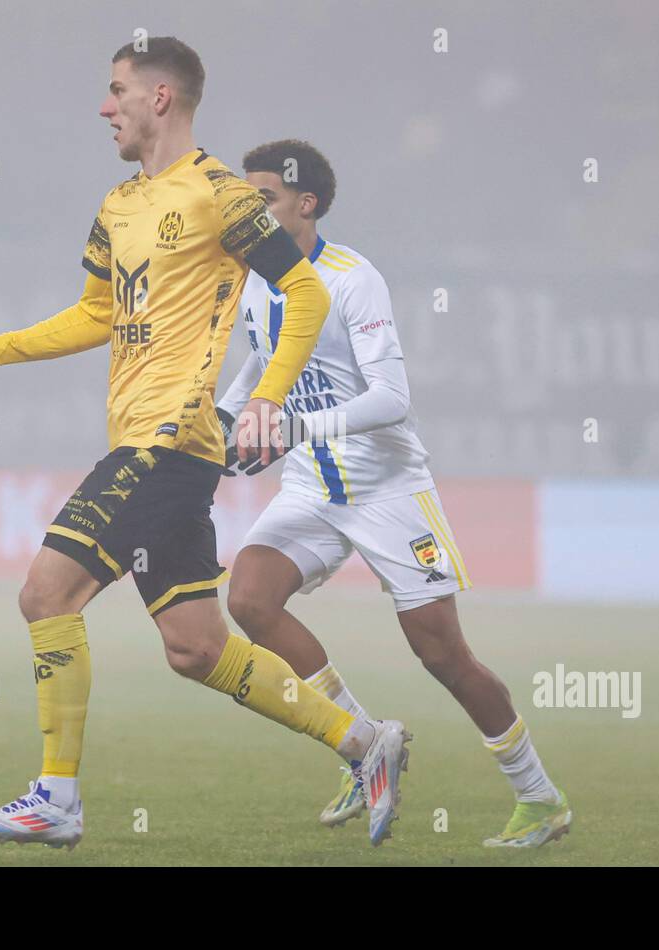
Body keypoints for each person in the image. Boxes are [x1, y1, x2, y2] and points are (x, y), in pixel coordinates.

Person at [0, 41, 408, 850]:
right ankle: (364, 742)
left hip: (169, 442)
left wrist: (268, 400)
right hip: (149, 447)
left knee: (46, 595)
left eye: (116, 91)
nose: (105, 107)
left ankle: (56, 797)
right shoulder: (118, 205)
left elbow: (305, 290)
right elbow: (94, 314)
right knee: (195, 647)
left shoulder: (219, 195)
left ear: (162, 97)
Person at [217, 139, 569, 848]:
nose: (248, 212)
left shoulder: (353, 278)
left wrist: (292, 426)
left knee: (442, 656)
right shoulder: (256, 278)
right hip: (313, 483)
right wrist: (226, 425)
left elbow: (393, 399)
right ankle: (363, 743)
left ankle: (540, 797)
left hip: (385, 488)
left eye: (263, 199)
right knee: (250, 598)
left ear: (305, 204)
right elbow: (260, 359)